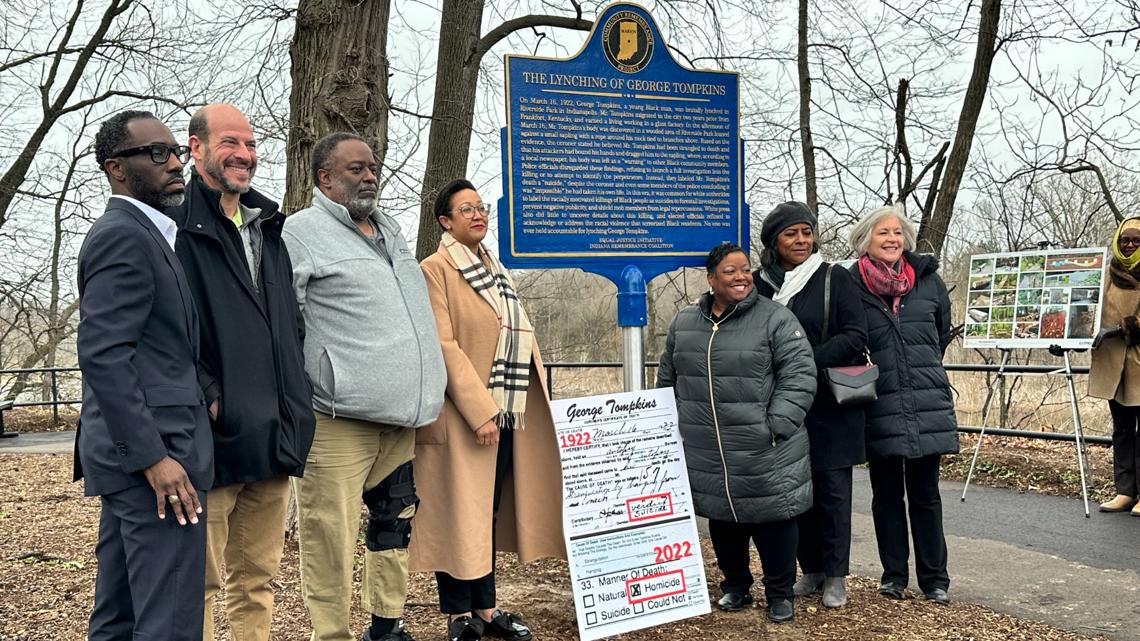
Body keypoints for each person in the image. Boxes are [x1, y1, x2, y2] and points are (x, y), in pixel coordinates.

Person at [282, 132, 446, 641]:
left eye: (372, 167)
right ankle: (331, 634)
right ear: (324, 178)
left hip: (401, 421)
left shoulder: (390, 229)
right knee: (328, 536)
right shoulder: (299, 233)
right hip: (336, 423)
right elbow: (286, 324)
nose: (369, 176)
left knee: (393, 525)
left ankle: (387, 627)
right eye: (355, 169)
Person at [168, 103, 316, 641]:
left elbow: (288, 326)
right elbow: (167, 330)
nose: (245, 155)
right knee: (201, 582)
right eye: (231, 143)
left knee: (258, 580)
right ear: (196, 148)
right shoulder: (177, 229)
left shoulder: (267, 228)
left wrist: (295, 401)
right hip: (214, 438)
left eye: (251, 145)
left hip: (274, 433)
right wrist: (208, 394)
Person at [77, 110, 212, 640]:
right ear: (116, 168)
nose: (175, 162)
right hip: (157, 463)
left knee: (121, 618)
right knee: (170, 622)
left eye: (176, 151)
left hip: (139, 461)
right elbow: (104, 354)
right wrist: (156, 458)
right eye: (157, 154)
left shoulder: (154, 234)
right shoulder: (123, 236)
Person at [411, 179, 565, 641]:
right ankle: (458, 616)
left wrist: (505, 411)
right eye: (466, 209)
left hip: (508, 415)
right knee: (458, 514)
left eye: (480, 208)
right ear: (445, 221)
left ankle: (486, 609)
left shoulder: (496, 271)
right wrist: (480, 411)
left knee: (486, 514)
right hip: (462, 418)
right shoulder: (433, 269)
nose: (477, 215)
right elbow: (444, 345)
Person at [656, 242, 817, 624]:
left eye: (745, 269)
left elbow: (800, 375)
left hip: (764, 445)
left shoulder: (775, 319)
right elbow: (667, 377)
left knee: (773, 519)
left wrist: (777, 424)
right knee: (723, 517)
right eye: (730, 271)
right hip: (706, 445)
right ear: (711, 279)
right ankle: (735, 586)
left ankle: (780, 594)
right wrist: (665, 422)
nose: (741, 277)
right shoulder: (684, 323)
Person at [754, 202, 868, 609]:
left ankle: (836, 575)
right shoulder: (759, 284)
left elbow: (856, 334)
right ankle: (812, 568)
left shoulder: (833, 278)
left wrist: (803, 360)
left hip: (829, 405)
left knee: (833, 492)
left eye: (807, 232)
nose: (802, 240)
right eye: (791, 234)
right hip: (783, 405)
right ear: (774, 242)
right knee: (795, 490)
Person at [847, 204, 958, 605]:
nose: (893, 239)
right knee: (887, 494)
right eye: (883, 233)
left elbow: (940, 334)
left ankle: (935, 580)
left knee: (926, 493)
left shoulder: (929, 282)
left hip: (926, 400)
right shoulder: (850, 284)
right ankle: (894, 575)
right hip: (878, 401)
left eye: (897, 232)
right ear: (865, 240)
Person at [1089, 217, 1140, 515]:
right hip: (1111, 361)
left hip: (1137, 358)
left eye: (1136, 240)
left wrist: (1125, 327)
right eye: (1125, 240)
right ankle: (1124, 491)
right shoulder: (1106, 272)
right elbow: (1088, 308)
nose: (1130, 245)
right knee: (1121, 428)